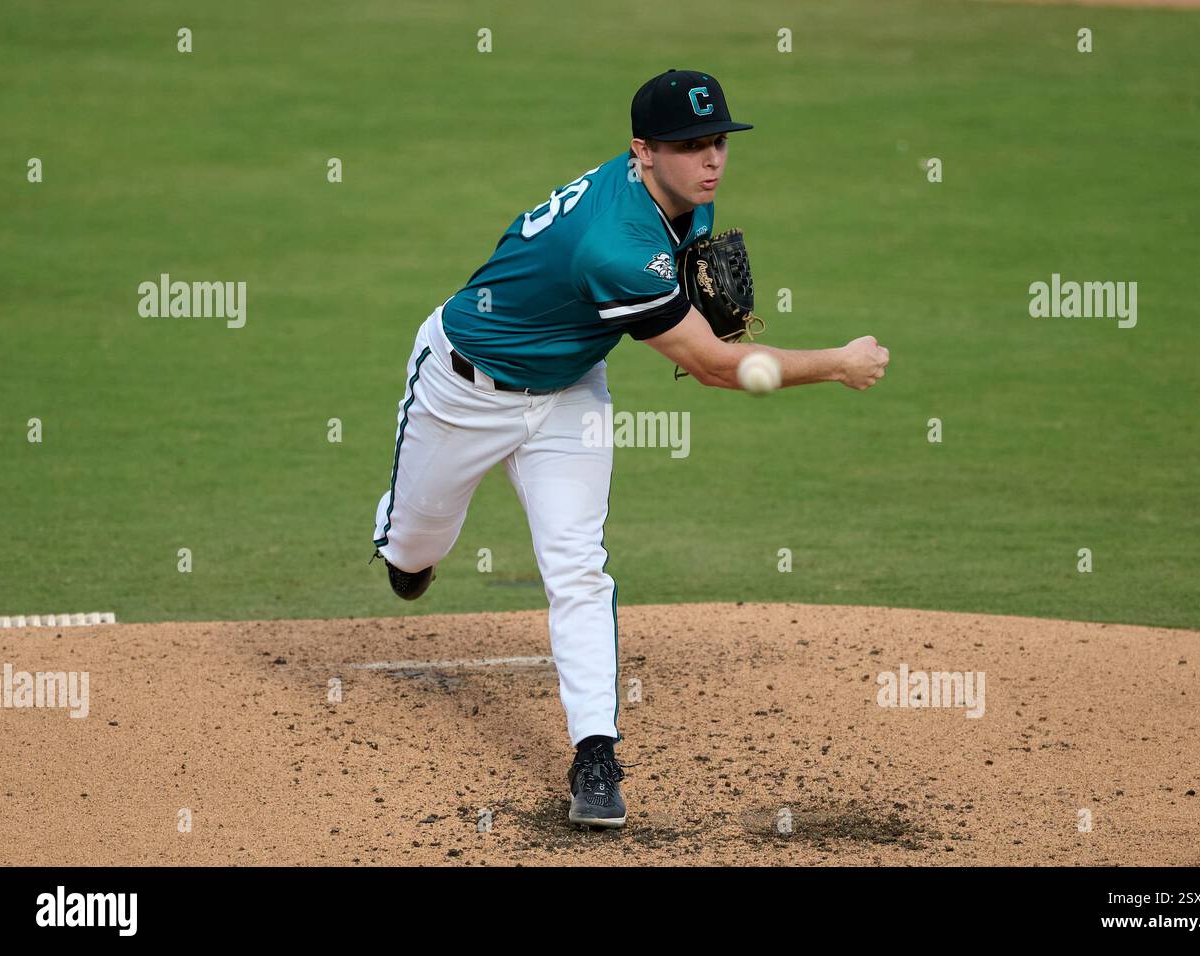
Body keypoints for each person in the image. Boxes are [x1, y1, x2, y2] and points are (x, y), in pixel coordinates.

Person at [371, 69, 890, 828]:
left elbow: (684, 294)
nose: (709, 161)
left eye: (717, 142)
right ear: (642, 151)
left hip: (569, 395)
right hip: (462, 390)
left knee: (578, 566)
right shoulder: (613, 244)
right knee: (415, 552)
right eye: (688, 146)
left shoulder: (687, 195)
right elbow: (714, 368)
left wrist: (690, 307)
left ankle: (596, 757)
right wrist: (837, 362)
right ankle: (402, 540)